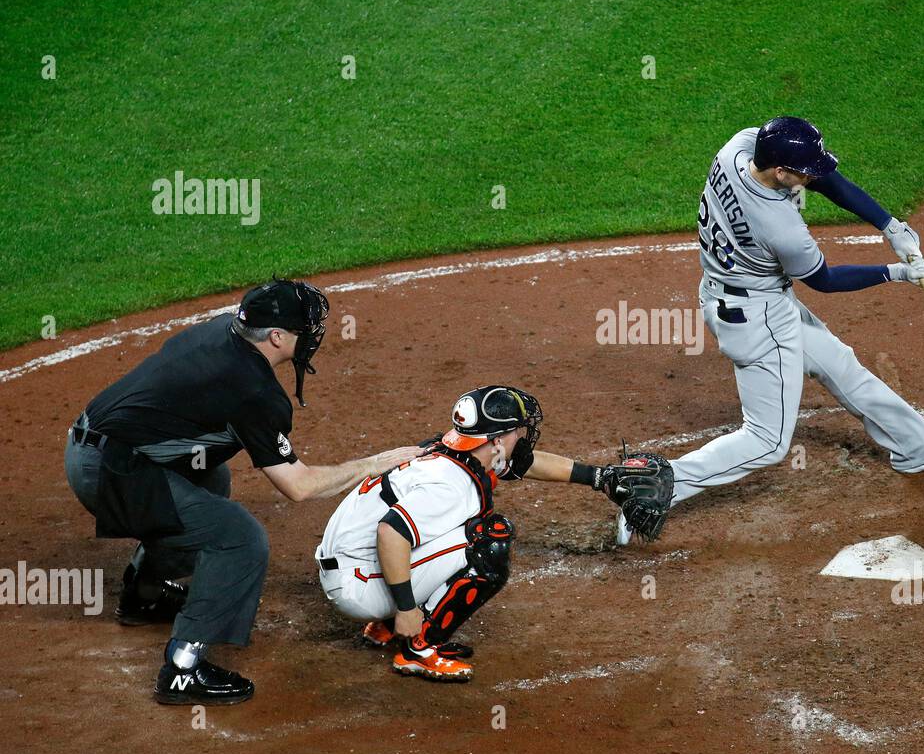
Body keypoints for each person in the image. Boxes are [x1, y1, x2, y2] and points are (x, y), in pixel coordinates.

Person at [64, 278, 426, 705]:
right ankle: (183, 669)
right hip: (110, 470)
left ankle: (144, 595)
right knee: (239, 538)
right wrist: (373, 463)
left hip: (99, 444)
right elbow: (300, 485)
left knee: (212, 480)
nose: (312, 336)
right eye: (304, 328)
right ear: (276, 336)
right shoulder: (249, 388)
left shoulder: (225, 330)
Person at [620, 117, 924, 545]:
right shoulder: (780, 226)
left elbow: (825, 179)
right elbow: (824, 280)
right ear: (780, 173)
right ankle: (654, 486)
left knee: (840, 366)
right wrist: (895, 272)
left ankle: (919, 451)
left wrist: (889, 224)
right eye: (802, 172)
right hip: (759, 318)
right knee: (768, 441)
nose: (810, 177)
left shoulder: (737, 149)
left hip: (740, 294)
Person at [316, 385, 659, 681]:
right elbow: (391, 533)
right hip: (357, 584)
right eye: (515, 432)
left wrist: (598, 478)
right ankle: (417, 648)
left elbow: (526, 462)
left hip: (351, 562)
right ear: (495, 441)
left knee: (453, 528)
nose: (521, 437)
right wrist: (406, 608)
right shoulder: (453, 485)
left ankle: (385, 626)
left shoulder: (452, 450)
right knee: (489, 540)